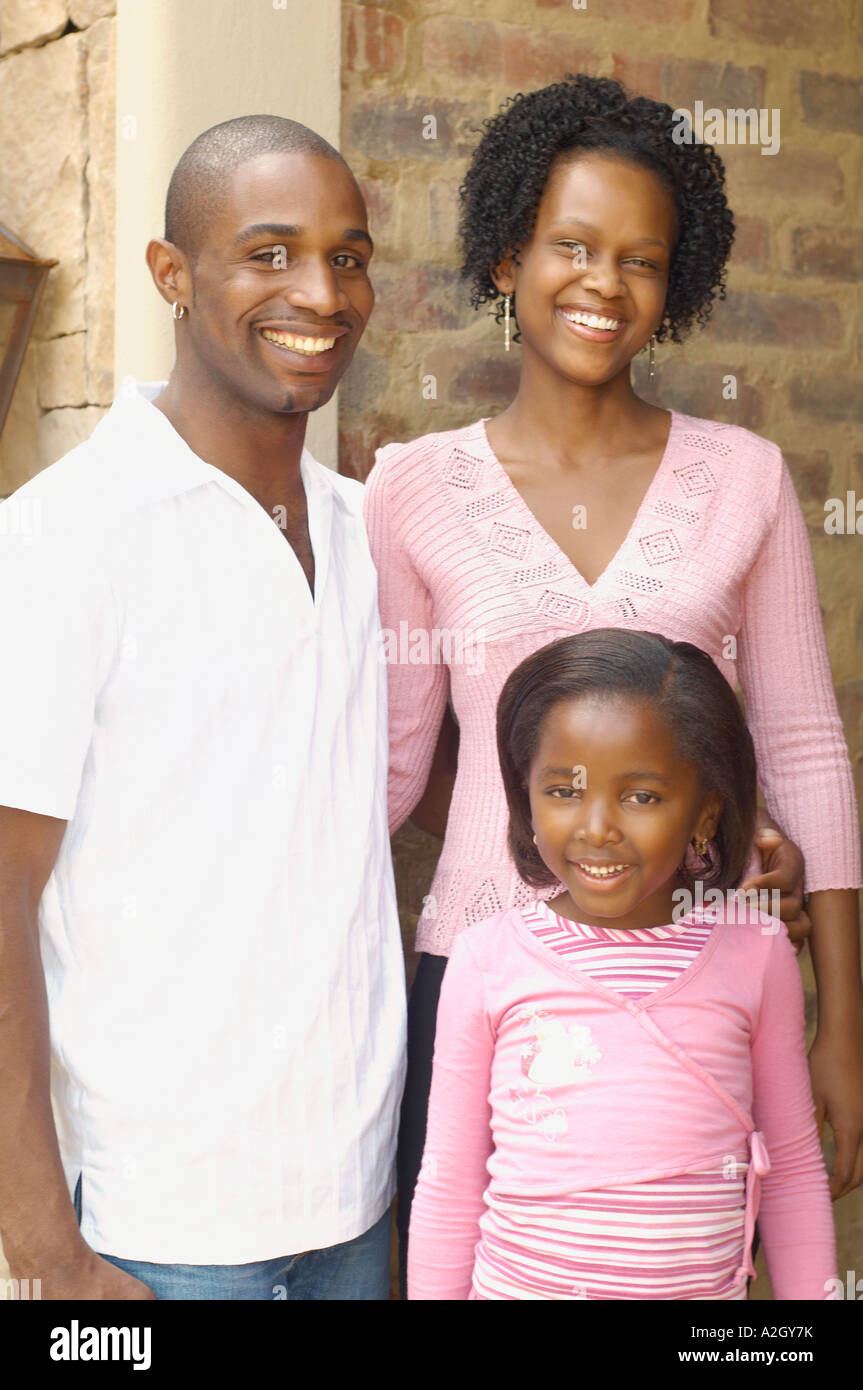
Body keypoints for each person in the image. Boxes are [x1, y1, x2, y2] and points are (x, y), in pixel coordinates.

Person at [362, 73, 863, 1289]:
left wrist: (841, 1022)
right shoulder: (410, 488)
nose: (602, 283)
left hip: (703, 957)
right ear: (504, 258)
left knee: (686, 1270)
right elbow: (389, 767)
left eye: (640, 259)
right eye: (570, 245)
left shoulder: (743, 479)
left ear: (672, 288)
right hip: (485, 979)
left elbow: (800, 746)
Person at [0, 116, 406, 1301]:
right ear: (171, 276)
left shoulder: (357, 530)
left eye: (349, 255)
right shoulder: (62, 538)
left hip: (354, 1203)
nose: (320, 293)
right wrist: (42, 1244)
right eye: (269, 252)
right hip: (148, 1230)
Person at [408, 628, 837, 1300]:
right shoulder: (487, 957)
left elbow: (790, 1173)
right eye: (562, 791)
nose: (596, 827)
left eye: (640, 796)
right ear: (524, 800)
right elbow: (448, 1184)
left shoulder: (756, 953)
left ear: (705, 813)